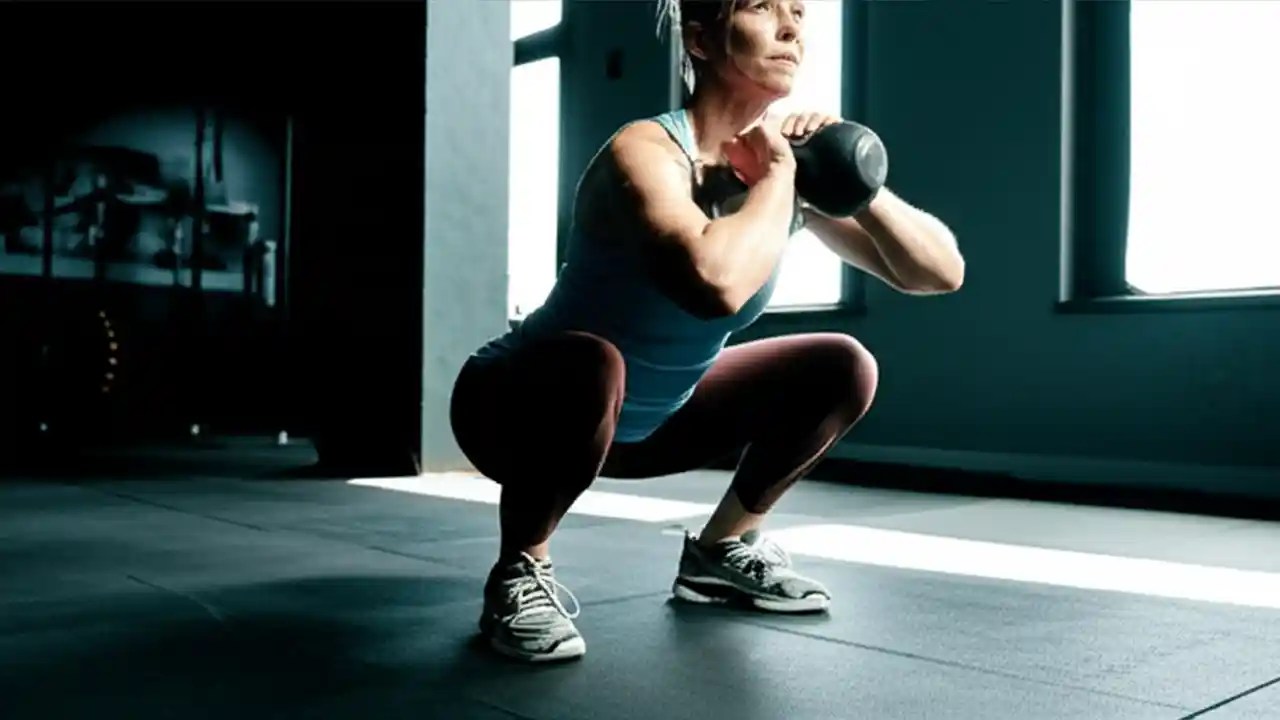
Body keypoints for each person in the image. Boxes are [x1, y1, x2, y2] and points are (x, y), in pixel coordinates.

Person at [449, 0, 964, 663]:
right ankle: (519, 571)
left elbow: (938, 273)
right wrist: (780, 176)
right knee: (595, 362)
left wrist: (854, 179)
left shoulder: (784, 172)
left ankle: (721, 550)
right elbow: (714, 283)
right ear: (699, 37)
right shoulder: (646, 151)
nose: (791, 29)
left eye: (799, 12)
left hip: (647, 425)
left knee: (843, 365)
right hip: (518, 409)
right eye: (761, 8)